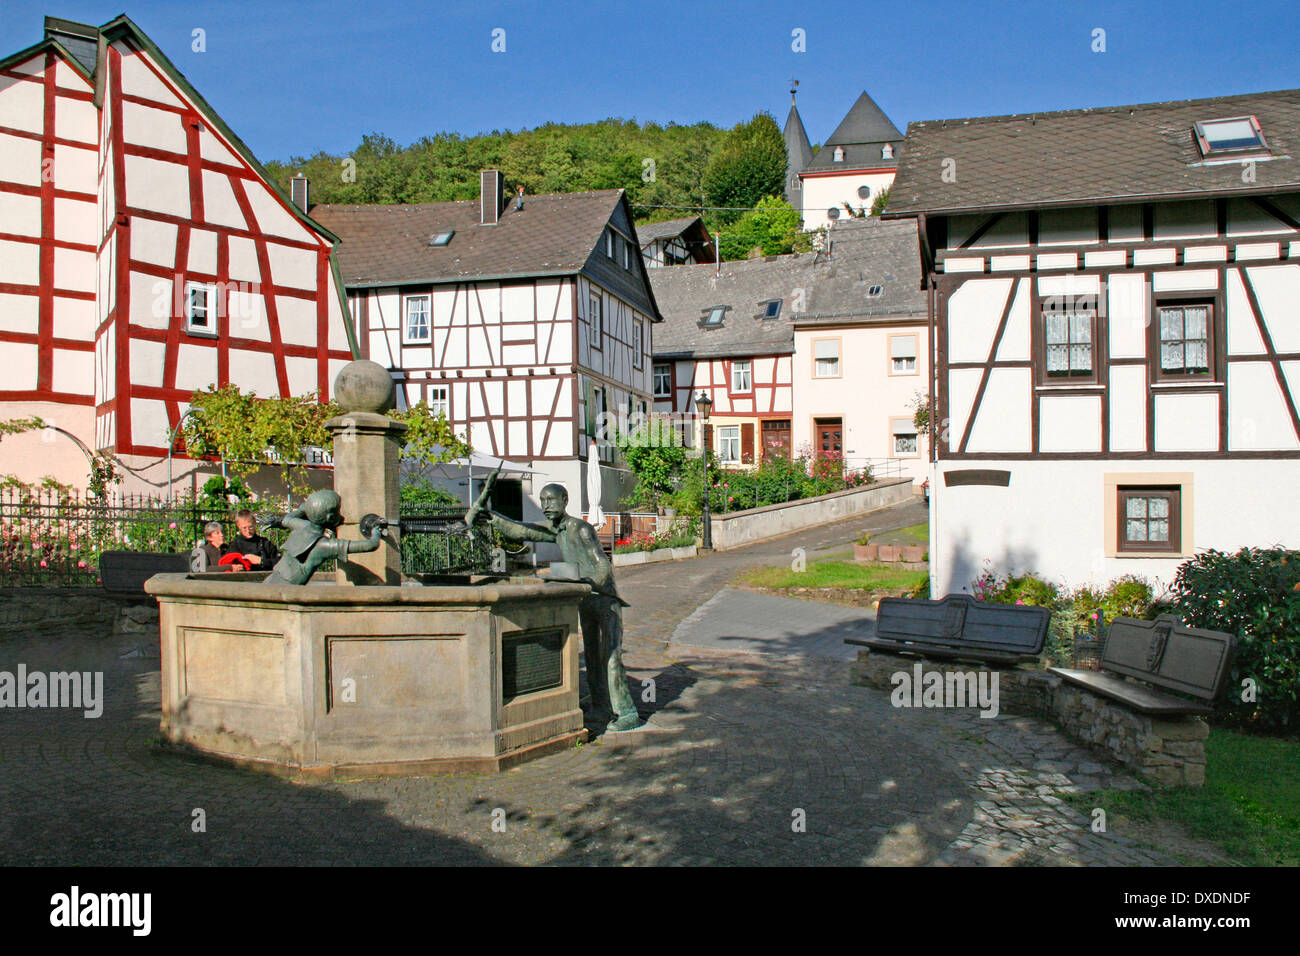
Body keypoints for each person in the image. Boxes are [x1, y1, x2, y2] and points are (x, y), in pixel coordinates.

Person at [466, 473, 641, 732]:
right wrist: (490, 517)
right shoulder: (555, 530)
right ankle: (601, 706)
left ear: (565, 500)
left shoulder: (580, 529)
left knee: (611, 658)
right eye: (543, 500)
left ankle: (627, 713)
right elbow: (522, 530)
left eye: (551, 500)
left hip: (604, 600)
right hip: (585, 599)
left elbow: (602, 564)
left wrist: (588, 583)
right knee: (592, 657)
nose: (547, 505)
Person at [259, 489, 386, 585]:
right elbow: (371, 545)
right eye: (338, 511)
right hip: (286, 592)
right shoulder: (323, 546)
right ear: (330, 518)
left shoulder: (302, 525)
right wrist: (375, 530)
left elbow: (287, 519)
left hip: (270, 582)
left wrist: (306, 508)